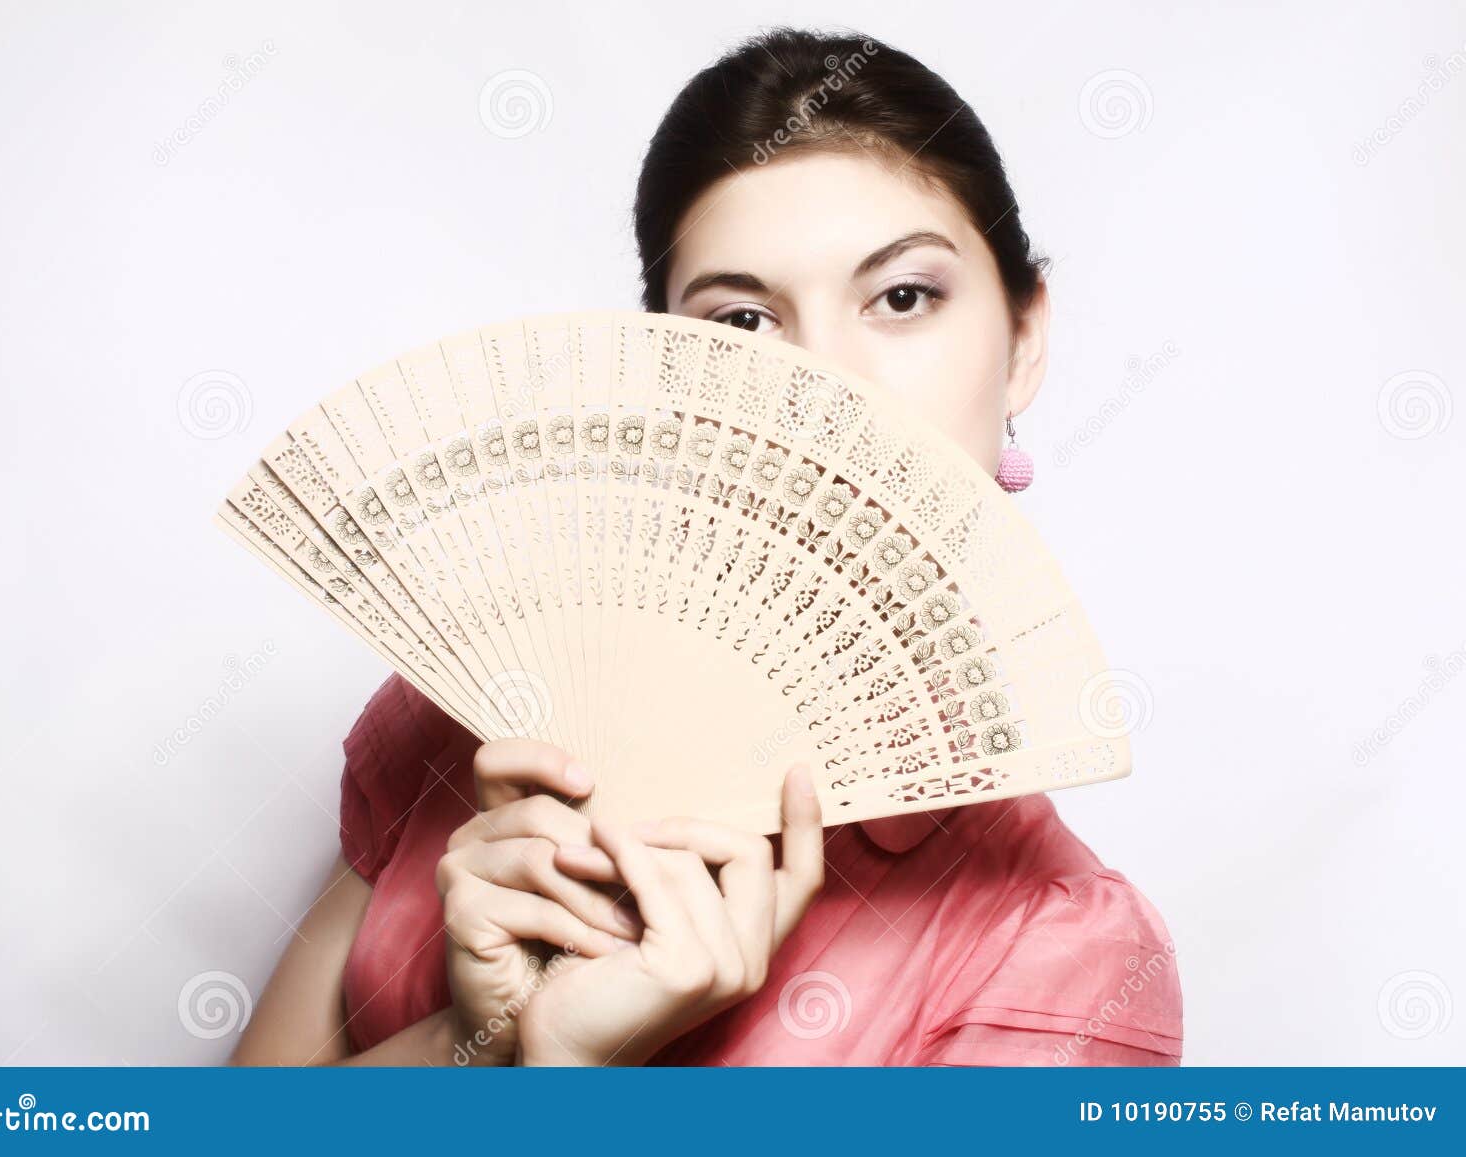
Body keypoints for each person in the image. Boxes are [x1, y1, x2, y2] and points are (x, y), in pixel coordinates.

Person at [232, 26, 1182, 1067]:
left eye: (902, 296)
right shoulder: (470, 709)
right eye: (739, 325)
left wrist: (574, 1075)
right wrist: (479, 1039)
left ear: (1024, 336)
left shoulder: (1061, 955)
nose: (825, 386)